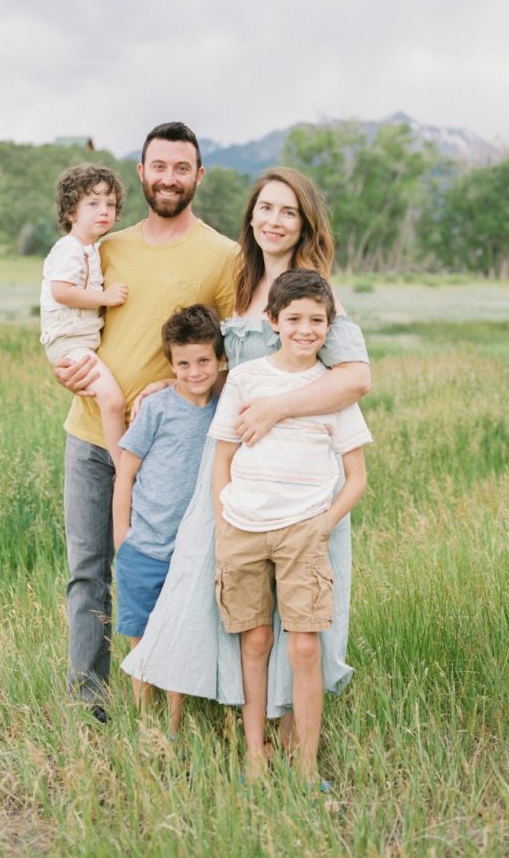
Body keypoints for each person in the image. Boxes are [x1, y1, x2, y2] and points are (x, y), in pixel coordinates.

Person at [122, 167, 370, 749]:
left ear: (305, 223)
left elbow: (355, 380)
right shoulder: (244, 286)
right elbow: (249, 370)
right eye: (265, 209)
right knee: (211, 586)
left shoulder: (315, 295)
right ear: (251, 216)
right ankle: (224, 711)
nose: (273, 221)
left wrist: (277, 412)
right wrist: (177, 386)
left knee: (299, 613)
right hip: (238, 473)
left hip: (301, 477)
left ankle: (293, 731)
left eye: (288, 211)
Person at [54, 122, 239, 720]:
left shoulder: (222, 256)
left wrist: (181, 380)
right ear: (141, 172)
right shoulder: (107, 244)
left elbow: (232, 351)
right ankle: (92, 706)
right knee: (88, 573)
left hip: (168, 450)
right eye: (158, 167)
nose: (168, 178)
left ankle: (168, 699)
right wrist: (60, 366)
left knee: (169, 567)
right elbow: (68, 317)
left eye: (181, 168)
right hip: (89, 433)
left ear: (198, 176)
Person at [210, 269, 372, 782]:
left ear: (330, 326)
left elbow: (357, 477)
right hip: (243, 526)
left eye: (318, 320)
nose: (306, 329)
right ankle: (255, 756)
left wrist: (321, 525)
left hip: (304, 529)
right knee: (254, 640)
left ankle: (305, 766)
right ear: (273, 321)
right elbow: (222, 457)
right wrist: (224, 516)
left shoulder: (331, 390)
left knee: (304, 646)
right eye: (295, 318)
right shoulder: (247, 377)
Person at [113, 305, 224, 734]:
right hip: (144, 547)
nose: (194, 372)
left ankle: (175, 724)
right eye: (183, 363)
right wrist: (123, 538)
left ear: (219, 360)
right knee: (141, 635)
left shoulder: (222, 408)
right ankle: (145, 722)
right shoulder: (156, 408)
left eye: (203, 361)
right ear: (171, 363)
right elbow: (126, 473)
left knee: (177, 634)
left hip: (192, 552)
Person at [40, 164, 128, 468]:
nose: (104, 210)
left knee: (112, 398)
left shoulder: (92, 248)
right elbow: (61, 291)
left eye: (111, 204)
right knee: (113, 401)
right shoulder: (69, 248)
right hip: (69, 343)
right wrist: (105, 298)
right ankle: (123, 468)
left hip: (81, 341)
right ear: (70, 213)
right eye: (93, 203)